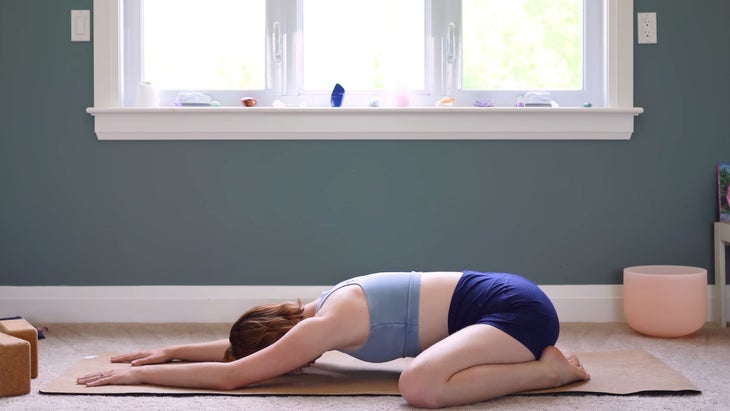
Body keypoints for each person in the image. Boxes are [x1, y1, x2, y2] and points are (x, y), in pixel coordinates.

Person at [77, 271, 590, 408]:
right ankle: (541, 365)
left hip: (515, 313)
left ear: (286, 344)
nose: (288, 367)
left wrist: (141, 374)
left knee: (421, 386)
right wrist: (172, 350)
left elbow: (235, 376)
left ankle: (551, 370)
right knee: (426, 378)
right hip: (506, 298)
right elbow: (241, 354)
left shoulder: (320, 328)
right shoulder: (318, 308)